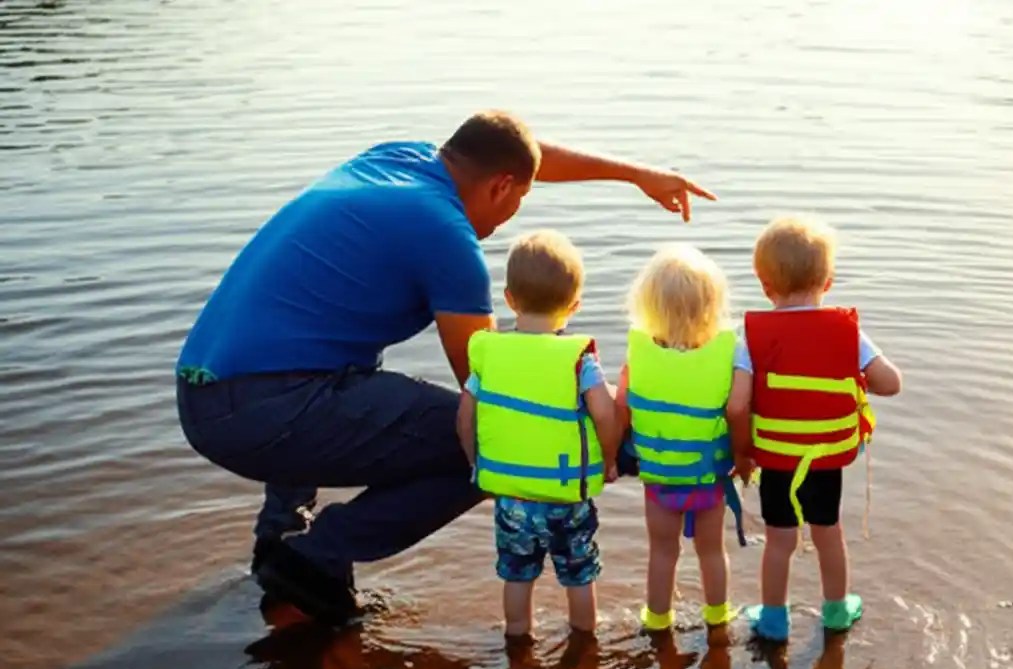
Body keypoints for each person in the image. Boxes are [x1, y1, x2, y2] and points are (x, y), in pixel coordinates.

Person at [174, 110, 713, 625]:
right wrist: (640, 443)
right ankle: (315, 557)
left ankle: (281, 541)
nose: (507, 221)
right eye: (516, 202)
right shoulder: (447, 239)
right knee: (487, 442)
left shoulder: (401, 159)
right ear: (501, 186)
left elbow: (522, 153)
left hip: (211, 389)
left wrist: (635, 174)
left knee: (342, 349)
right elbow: (506, 403)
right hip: (262, 410)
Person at [740, 216, 903, 642]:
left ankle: (774, 619)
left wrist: (741, 452)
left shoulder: (749, 336)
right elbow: (891, 383)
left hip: (776, 459)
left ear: (764, 284)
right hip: (824, 458)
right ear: (827, 282)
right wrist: (848, 377)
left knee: (779, 541)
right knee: (828, 534)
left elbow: (737, 403)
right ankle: (836, 611)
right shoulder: (848, 333)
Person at [455, 231, 620, 637]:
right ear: (574, 306)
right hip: (565, 496)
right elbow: (603, 412)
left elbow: (465, 416)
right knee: (578, 573)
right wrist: (611, 458)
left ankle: (517, 635)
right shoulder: (579, 360)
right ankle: (583, 638)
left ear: (509, 299)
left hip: (512, 496)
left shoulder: (490, 355)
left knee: (516, 574)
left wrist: (476, 462)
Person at [613, 245, 754, 633]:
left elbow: (622, 405)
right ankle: (718, 617)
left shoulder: (639, 351)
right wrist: (745, 458)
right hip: (709, 475)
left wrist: (612, 456)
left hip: (659, 477)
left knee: (662, 552)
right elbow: (739, 409)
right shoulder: (730, 351)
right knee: (711, 551)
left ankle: (657, 620)